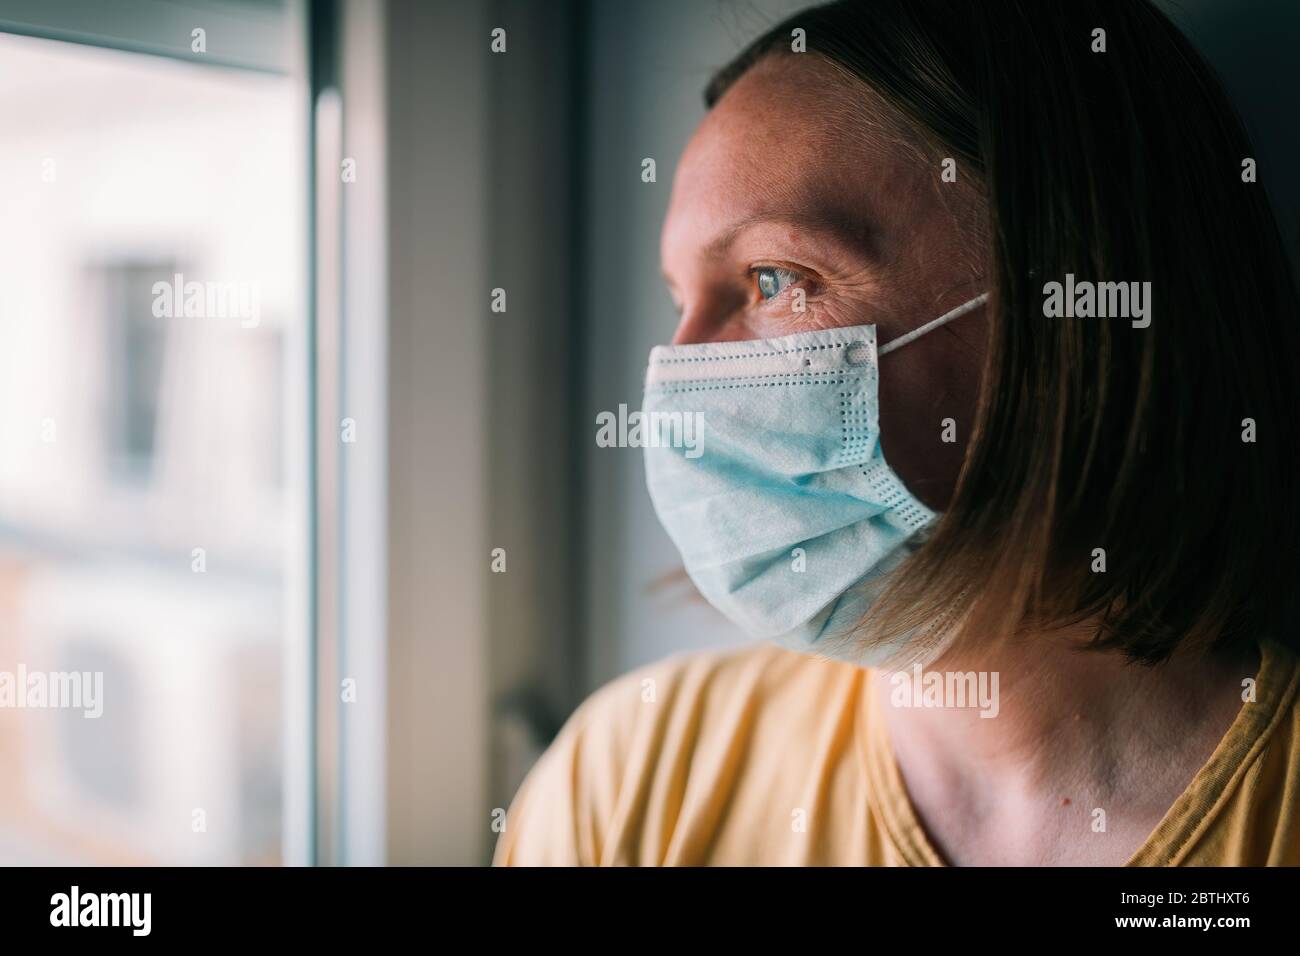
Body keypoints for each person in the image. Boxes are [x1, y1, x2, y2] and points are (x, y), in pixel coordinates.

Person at [494, 0, 1300, 866]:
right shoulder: (628, 785)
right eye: (679, 299)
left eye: (772, 278)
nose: (679, 375)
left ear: (1072, 307)